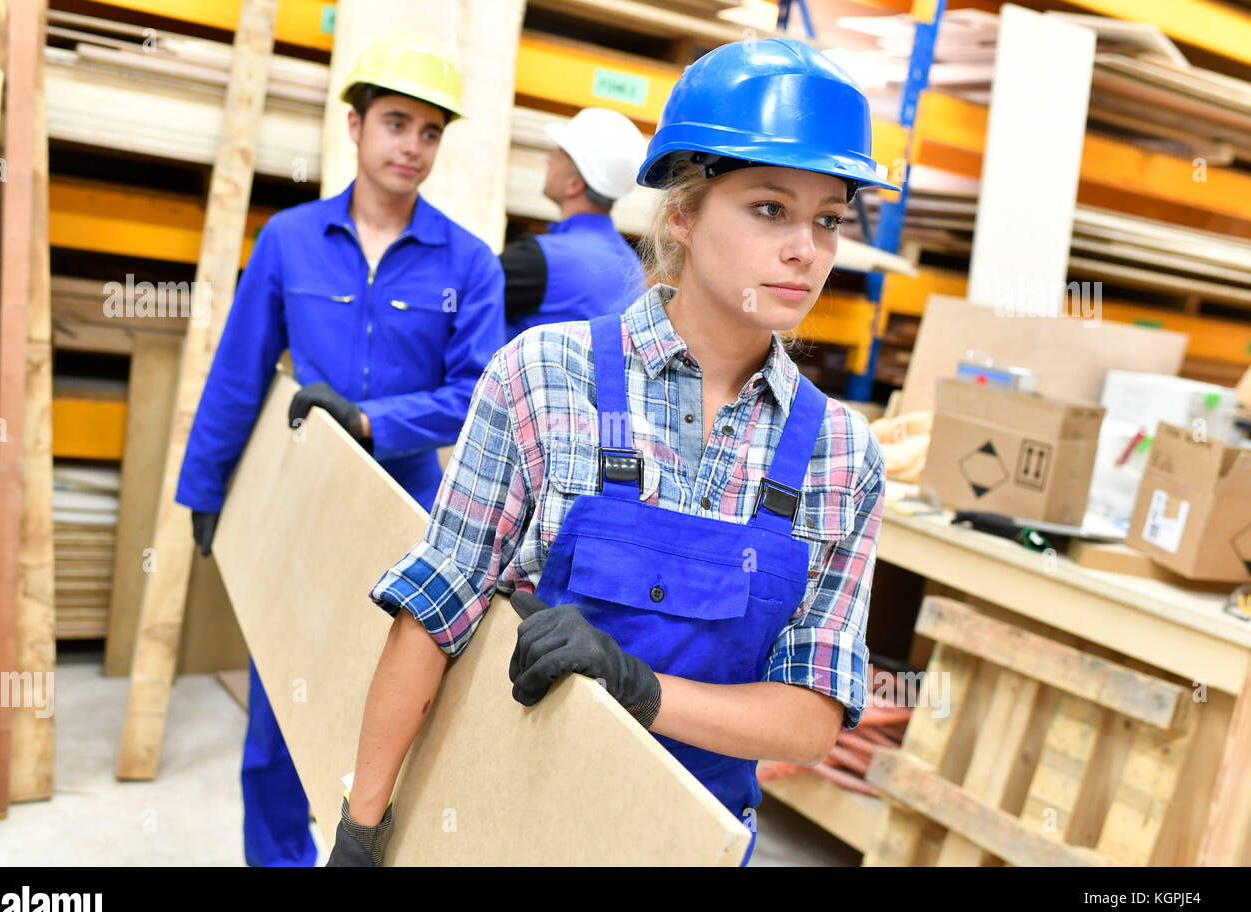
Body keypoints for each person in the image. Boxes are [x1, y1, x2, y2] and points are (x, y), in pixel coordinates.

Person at [326, 37, 893, 867]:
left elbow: (810, 718)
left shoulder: (842, 456)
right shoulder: (546, 377)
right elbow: (436, 611)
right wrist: (361, 828)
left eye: (828, 219)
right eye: (770, 209)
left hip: (687, 844)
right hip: (506, 822)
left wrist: (637, 688)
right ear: (682, 216)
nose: (806, 249)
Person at [174, 31, 506, 867]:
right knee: (279, 708)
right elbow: (237, 376)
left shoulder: (470, 264)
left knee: (401, 716)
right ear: (353, 126)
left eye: (432, 132)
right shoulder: (288, 240)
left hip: (411, 518)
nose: (414, 147)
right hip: (306, 503)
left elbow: (474, 398)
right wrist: (204, 492)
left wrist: (367, 422)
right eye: (397, 123)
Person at [501, 108, 647, 342]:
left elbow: (454, 299)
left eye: (559, 154)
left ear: (574, 184)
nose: (548, 159)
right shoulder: (632, 266)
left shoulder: (539, 259)